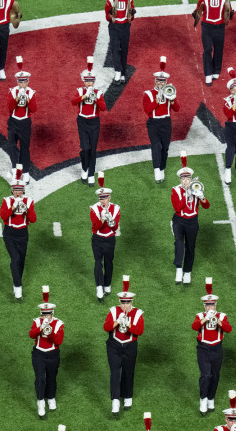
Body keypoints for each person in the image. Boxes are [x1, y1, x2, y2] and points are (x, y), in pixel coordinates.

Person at [103, 276, 145, 414]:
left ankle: (127, 396)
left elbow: (139, 331)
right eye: (122, 302)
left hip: (130, 347)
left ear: (131, 301)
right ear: (119, 302)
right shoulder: (114, 311)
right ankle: (115, 401)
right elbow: (106, 327)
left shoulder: (138, 313)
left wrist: (128, 324)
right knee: (115, 372)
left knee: (128, 372)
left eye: (127, 303)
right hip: (114, 346)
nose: (125, 306)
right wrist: (117, 321)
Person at [192, 278, 233, 415]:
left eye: (212, 305)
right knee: (206, 375)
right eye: (208, 305)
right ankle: (203, 399)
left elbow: (229, 329)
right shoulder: (199, 316)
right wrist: (206, 318)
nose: (210, 308)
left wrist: (218, 321)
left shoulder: (222, 316)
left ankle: (211, 398)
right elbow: (194, 326)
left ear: (216, 305)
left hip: (217, 349)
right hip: (203, 349)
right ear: (204, 306)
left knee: (215, 375)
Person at [172, 152, 210, 285]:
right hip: (179, 220)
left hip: (192, 222)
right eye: (183, 179)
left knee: (190, 246)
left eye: (188, 179)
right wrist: (187, 195)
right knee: (179, 243)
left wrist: (201, 197)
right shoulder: (175, 190)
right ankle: (178, 268)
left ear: (191, 179)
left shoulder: (196, 188)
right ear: (180, 180)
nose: (186, 181)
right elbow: (178, 208)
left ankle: (187, 271)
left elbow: (206, 206)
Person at [0, 166, 37, 301]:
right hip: (9, 233)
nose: (17, 193)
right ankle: (18, 287)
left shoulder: (29, 201)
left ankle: (17, 281)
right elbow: (3, 216)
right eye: (15, 190)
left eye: (20, 190)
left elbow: (33, 220)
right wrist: (13, 208)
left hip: (23, 233)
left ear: (23, 190)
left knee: (21, 261)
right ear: (12, 190)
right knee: (15, 258)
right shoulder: (7, 201)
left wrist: (27, 210)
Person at [192, 0, 232, 85]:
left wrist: (231, 14)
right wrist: (195, 14)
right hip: (207, 27)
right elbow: (198, 9)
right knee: (208, 49)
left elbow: (229, 11)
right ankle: (208, 74)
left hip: (220, 27)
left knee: (219, 50)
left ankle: (216, 70)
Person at [142, 57, 180, 183]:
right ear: (155, 81)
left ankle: (162, 168)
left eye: (163, 82)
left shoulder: (169, 93)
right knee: (156, 146)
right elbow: (147, 110)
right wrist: (156, 101)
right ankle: (157, 170)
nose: (161, 84)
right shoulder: (148, 93)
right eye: (159, 81)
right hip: (153, 123)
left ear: (166, 82)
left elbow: (177, 109)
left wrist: (173, 99)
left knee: (165, 147)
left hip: (166, 122)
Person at [30, 287, 64, 419]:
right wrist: (40, 328)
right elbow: (31, 335)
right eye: (43, 315)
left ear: (52, 314)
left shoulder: (59, 323)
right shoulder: (36, 322)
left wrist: (49, 333)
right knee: (40, 378)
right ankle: (40, 402)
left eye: (48, 315)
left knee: (51, 377)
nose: (45, 317)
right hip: (38, 354)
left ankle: (51, 397)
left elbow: (58, 341)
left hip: (53, 354)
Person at [73, 57, 106, 185]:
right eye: (87, 81)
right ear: (84, 81)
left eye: (91, 81)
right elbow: (73, 101)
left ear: (94, 82)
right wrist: (84, 96)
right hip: (82, 122)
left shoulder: (98, 92)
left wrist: (96, 98)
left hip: (94, 122)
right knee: (85, 148)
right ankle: (84, 168)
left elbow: (103, 108)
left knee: (93, 149)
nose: (89, 83)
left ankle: (91, 174)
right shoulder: (80, 91)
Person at [90, 172, 121, 301]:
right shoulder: (94, 209)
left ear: (109, 198)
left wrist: (110, 220)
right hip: (97, 239)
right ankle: (99, 288)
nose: (103, 201)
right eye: (101, 198)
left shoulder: (116, 208)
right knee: (98, 262)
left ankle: (107, 284)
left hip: (109, 239)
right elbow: (97, 226)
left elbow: (114, 227)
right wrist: (103, 218)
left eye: (105, 198)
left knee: (109, 262)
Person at [105, 0, 136, 84]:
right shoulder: (110, 0)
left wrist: (132, 13)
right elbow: (107, 17)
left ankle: (122, 73)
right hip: (114, 27)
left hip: (125, 27)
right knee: (115, 48)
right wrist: (111, 14)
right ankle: (118, 71)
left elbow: (131, 18)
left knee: (124, 49)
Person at [7, 56, 35, 181]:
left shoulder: (31, 92)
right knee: (12, 145)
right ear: (17, 82)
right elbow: (10, 108)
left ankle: (26, 171)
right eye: (20, 82)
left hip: (25, 122)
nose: (22, 84)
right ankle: (14, 168)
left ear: (27, 82)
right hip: (13, 121)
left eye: (24, 82)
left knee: (24, 147)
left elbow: (34, 109)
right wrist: (17, 98)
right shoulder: (12, 91)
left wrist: (27, 99)